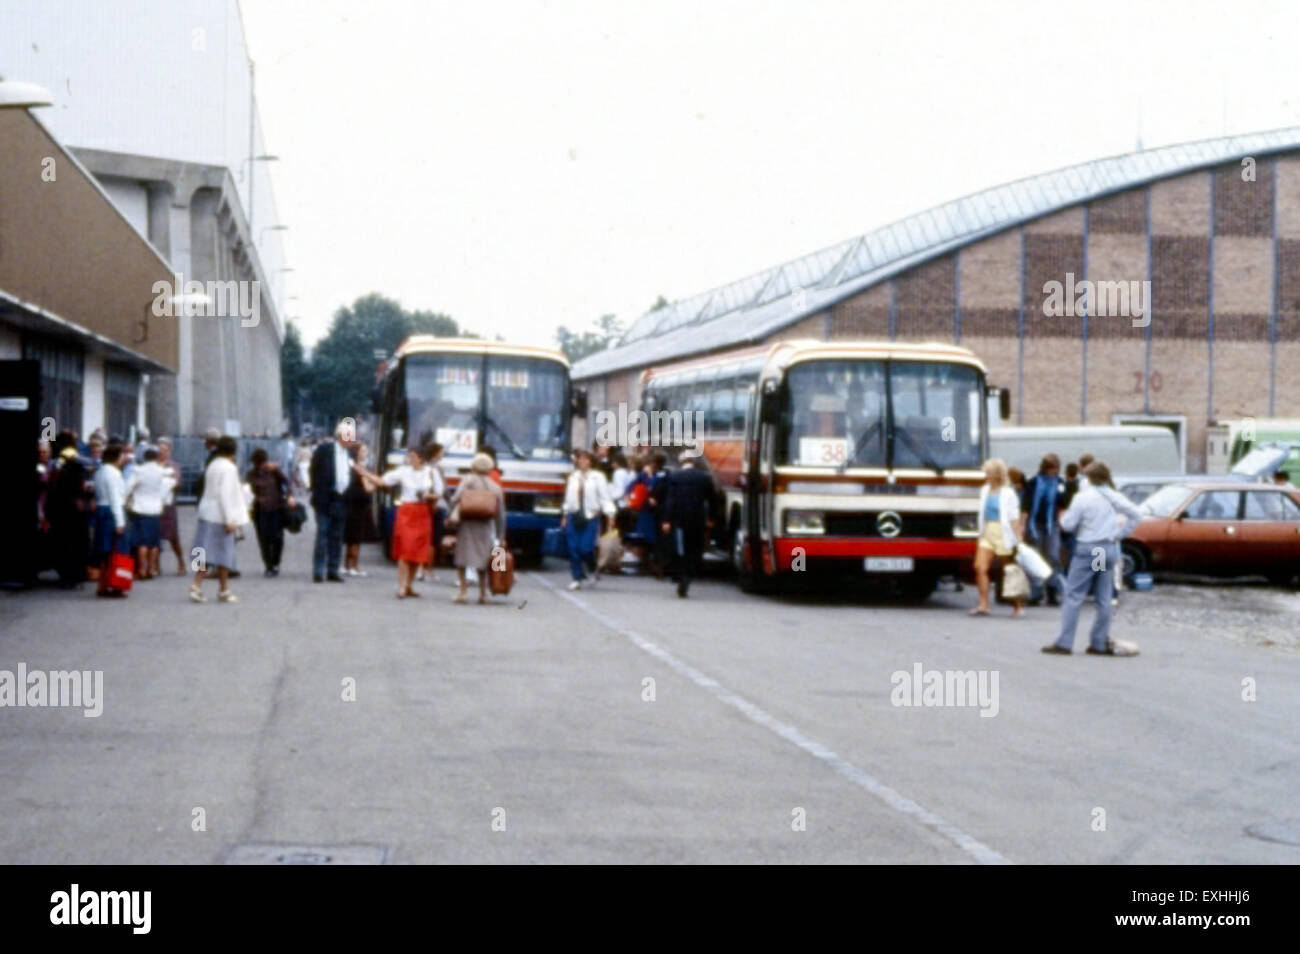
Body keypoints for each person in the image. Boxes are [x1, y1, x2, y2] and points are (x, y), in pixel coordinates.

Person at [1043, 461, 1145, 656]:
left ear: (1088, 478)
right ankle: (1098, 641)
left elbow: (1068, 525)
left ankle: (1064, 642)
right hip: (1108, 547)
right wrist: (1120, 533)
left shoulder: (1083, 498)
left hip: (1092, 547)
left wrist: (1062, 518)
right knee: (1103, 596)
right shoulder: (1114, 496)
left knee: (1074, 596)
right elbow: (1136, 514)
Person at [356, 445, 435, 598]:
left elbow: (438, 492)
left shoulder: (430, 472)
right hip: (407, 510)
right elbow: (382, 481)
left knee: (417, 552)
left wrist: (431, 497)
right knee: (405, 550)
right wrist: (365, 473)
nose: (409, 459)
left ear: (421, 459)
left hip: (423, 511)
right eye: (409, 456)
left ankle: (409, 586)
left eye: (412, 456)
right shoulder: (403, 472)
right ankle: (401, 586)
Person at [190, 436, 248, 603]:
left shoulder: (213, 465)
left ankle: (196, 583)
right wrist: (231, 519)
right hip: (220, 515)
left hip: (206, 511)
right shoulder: (229, 468)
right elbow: (226, 494)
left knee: (201, 550)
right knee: (224, 552)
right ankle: (223, 589)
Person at [447, 452, 506, 604]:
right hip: (486, 525)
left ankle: (463, 592)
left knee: (462, 557)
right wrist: (501, 535)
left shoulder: (467, 481)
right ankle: (482, 594)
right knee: (484, 559)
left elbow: (456, 498)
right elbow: (501, 514)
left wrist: (450, 514)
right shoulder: (496, 487)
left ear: (473, 466)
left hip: (467, 523)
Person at [971, 458, 1023, 618]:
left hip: (1003, 532)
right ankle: (983, 604)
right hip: (987, 531)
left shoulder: (1008, 493)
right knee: (980, 567)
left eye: (988, 471)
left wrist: (1018, 538)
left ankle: (1017, 605)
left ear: (996, 474)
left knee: (1009, 571)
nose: (985, 474)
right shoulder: (984, 490)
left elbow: (1014, 517)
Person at [660, 451, 716, 598]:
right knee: (694, 549)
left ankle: (681, 575)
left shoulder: (675, 477)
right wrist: (711, 518)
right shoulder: (703, 478)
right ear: (694, 462)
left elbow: (670, 501)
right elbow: (712, 499)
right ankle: (689, 575)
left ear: (681, 462)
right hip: (698, 519)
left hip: (679, 521)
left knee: (680, 549)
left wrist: (666, 520)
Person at [560, 449, 615, 590]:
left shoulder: (598, 477)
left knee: (586, 548)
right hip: (574, 514)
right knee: (573, 548)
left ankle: (592, 568)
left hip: (590, 515)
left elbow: (604, 497)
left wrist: (610, 514)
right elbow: (568, 497)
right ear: (577, 461)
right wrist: (565, 515)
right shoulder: (573, 476)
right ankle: (576, 577)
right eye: (580, 459)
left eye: (586, 459)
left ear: (591, 462)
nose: (583, 462)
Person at [308, 421, 355, 583]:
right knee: (323, 535)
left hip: (342, 499)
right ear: (341, 435)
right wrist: (316, 491)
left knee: (337, 536)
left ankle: (333, 569)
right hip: (325, 499)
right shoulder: (324, 451)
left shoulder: (351, 455)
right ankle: (318, 570)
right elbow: (313, 471)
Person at [1018, 453, 1065, 606]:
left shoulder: (1059, 483)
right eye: (1052, 468)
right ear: (1045, 468)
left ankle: (1053, 592)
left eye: (1056, 469)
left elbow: (1063, 503)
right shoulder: (1033, 483)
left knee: (1053, 556)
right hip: (1035, 524)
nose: (1054, 471)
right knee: (1035, 558)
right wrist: (1022, 525)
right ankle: (1035, 592)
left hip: (1052, 525)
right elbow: (1025, 506)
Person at [126, 447, 176, 580]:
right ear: (156, 458)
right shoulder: (162, 472)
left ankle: (142, 569)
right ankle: (151, 568)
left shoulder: (138, 471)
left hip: (140, 508)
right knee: (154, 543)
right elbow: (168, 488)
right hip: (155, 509)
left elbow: (128, 487)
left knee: (142, 542)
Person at [47, 434, 90, 587]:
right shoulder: (78, 463)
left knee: (65, 544)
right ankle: (77, 575)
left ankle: (69, 576)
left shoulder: (60, 464)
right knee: (77, 544)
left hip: (63, 510)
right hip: (75, 510)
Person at [247, 447, 293, 577]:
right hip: (260, 510)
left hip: (276, 507)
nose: (262, 466)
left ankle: (276, 562)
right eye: (259, 464)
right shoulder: (251, 474)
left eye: (264, 463)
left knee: (278, 537)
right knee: (263, 539)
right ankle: (268, 565)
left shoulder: (274, 471)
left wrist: (290, 495)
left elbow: (287, 483)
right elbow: (248, 490)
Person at [91, 442, 130, 598]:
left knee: (104, 551)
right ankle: (116, 585)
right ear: (116, 457)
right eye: (122, 455)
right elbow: (115, 498)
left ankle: (102, 584)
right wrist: (120, 522)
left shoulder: (100, 472)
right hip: (113, 511)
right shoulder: (114, 473)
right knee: (118, 550)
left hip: (102, 510)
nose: (124, 458)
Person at [342, 443, 378, 577]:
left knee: (350, 537)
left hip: (351, 504)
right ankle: (354, 566)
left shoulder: (350, 467)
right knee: (357, 538)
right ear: (357, 453)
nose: (366, 452)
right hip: (360, 505)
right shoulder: (360, 469)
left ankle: (346, 564)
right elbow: (368, 488)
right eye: (363, 450)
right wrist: (376, 482)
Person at [418, 442, 448, 582]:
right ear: (436, 453)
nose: (442, 454)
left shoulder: (422, 466)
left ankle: (420, 569)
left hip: (421, 506)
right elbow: (443, 490)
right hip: (436, 506)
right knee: (433, 540)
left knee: (422, 538)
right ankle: (429, 570)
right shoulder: (438, 468)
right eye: (441, 452)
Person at [156, 437, 187, 574]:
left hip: (168, 504)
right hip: (155, 504)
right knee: (155, 535)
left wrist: (169, 483)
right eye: (160, 450)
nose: (162, 452)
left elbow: (178, 482)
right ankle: (155, 564)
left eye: (165, 450)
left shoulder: (173, 465)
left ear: (170, 451)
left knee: (173, 537)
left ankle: (181, 562)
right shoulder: (154, 464)